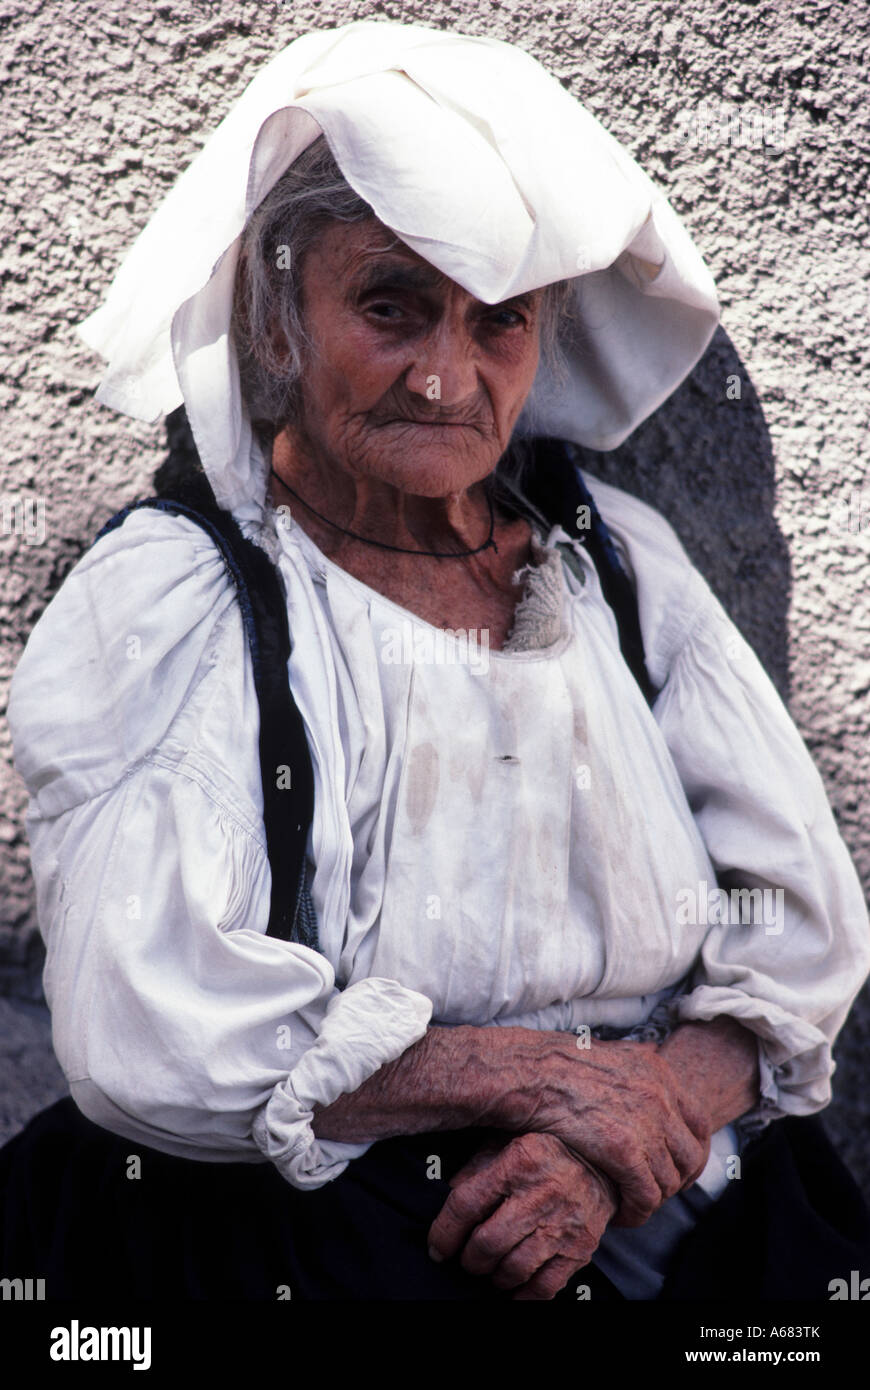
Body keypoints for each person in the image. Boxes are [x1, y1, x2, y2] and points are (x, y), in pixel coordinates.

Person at [2, 19, 869, 1302]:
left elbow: (791, 919)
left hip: (648, 1194)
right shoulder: (183, 595)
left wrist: (628, 1127)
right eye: (390, 306)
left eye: (498, 320)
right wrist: (541, 1079)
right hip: (301, 1233)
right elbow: (154, 1021)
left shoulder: (611, 563)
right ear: (278, 312)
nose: (444, 375)